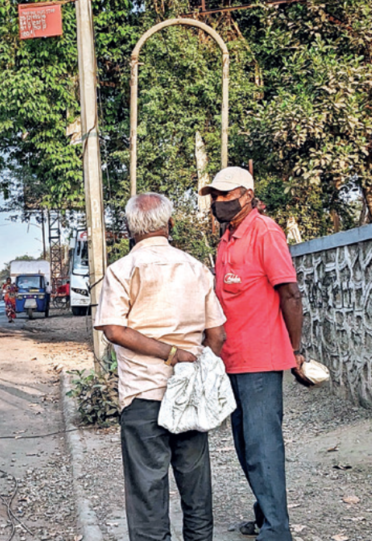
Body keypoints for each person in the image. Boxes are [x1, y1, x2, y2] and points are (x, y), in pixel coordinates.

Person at [93, 193, 227, 541]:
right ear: (170, 225)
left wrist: (168, 354)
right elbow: (217, 335)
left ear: (129, 229)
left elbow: (114, 330)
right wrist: (193, 366)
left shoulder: (121, 270)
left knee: (147, 493)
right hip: (189, 394)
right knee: (196, 490)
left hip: (142, 395)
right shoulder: (196, 268)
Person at [200, 167, 303, 541]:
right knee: (246, 445)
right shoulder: (228, 238)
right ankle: (265, 516)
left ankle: (277, 531)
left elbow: (290, 293)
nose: (217, 203)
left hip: (260, 358)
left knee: (263, 446)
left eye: (225, 195)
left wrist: (296, 352)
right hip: (232, 357)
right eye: (214, 196)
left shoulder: (265, 232)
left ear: (247, 195)